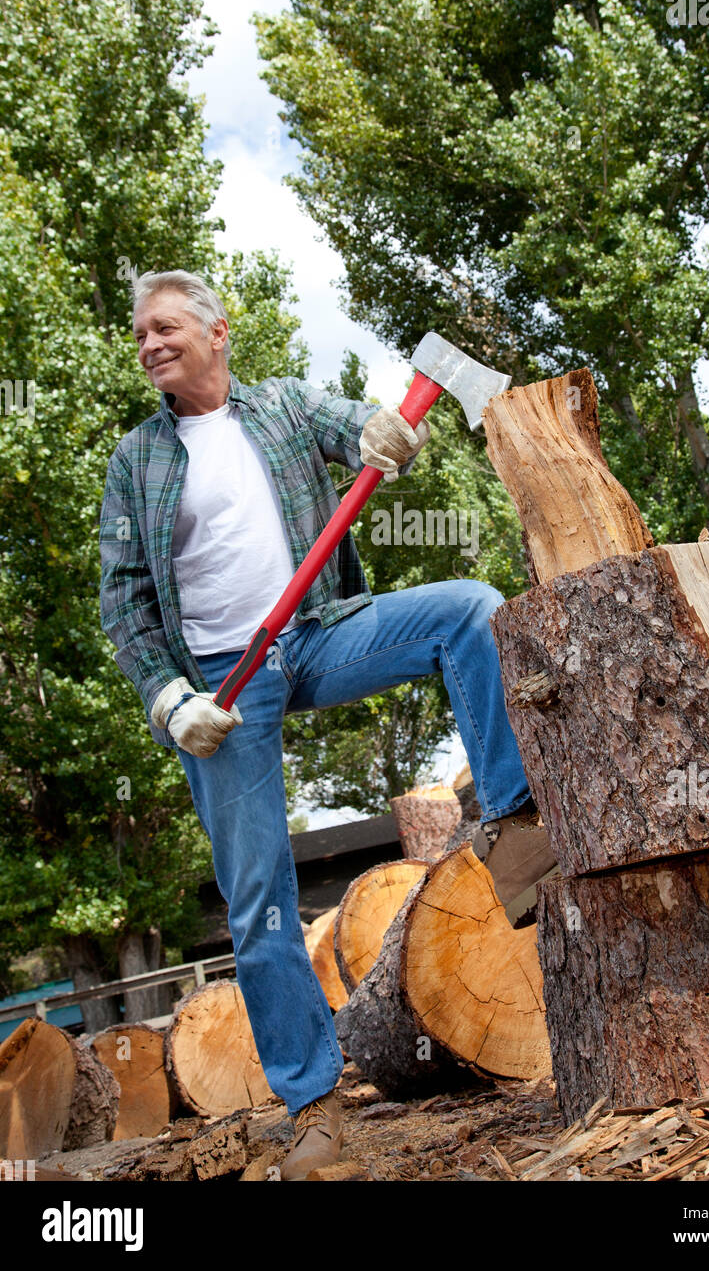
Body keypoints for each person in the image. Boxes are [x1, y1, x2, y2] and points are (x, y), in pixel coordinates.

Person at [99, 269, 556, 1180]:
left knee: (466, 610)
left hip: (314, 635)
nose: (149, 343)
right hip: (220, 688)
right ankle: (314, 1112)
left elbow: (353, 426)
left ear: (217, 332)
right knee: (260, 897)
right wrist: (166, 698)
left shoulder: (277, 406)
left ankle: (513, 825)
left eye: (165, 327)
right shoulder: (136, 460)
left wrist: (383, 434)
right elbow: (124, 601)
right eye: (140, 333)